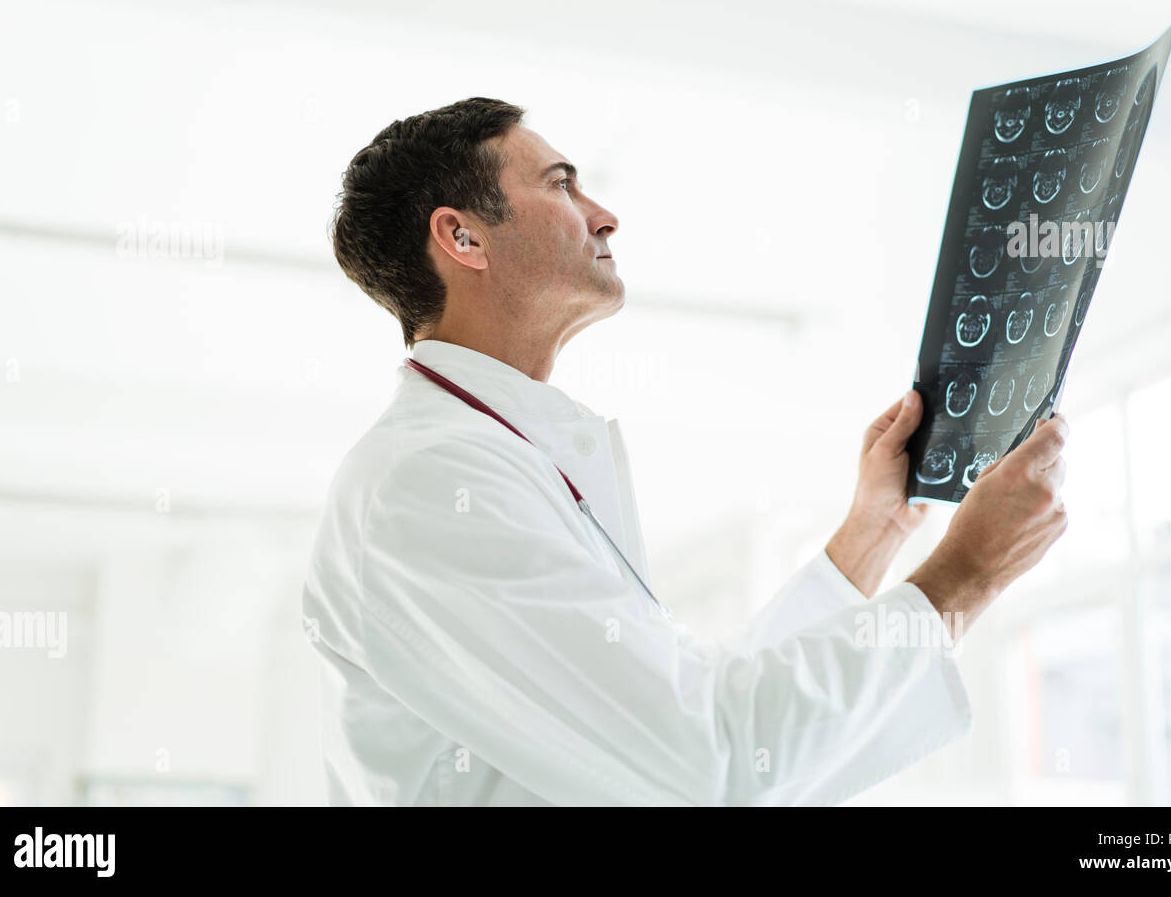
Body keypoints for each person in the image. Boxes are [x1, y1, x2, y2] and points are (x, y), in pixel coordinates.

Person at [301, 96, 1070, 806]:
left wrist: (874, 533)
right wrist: (965, 576)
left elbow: (694, 703)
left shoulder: (493, 456)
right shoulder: (428, 481)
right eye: (563, 184)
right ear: (462, 236)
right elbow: (706, 760)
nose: (605, 216)